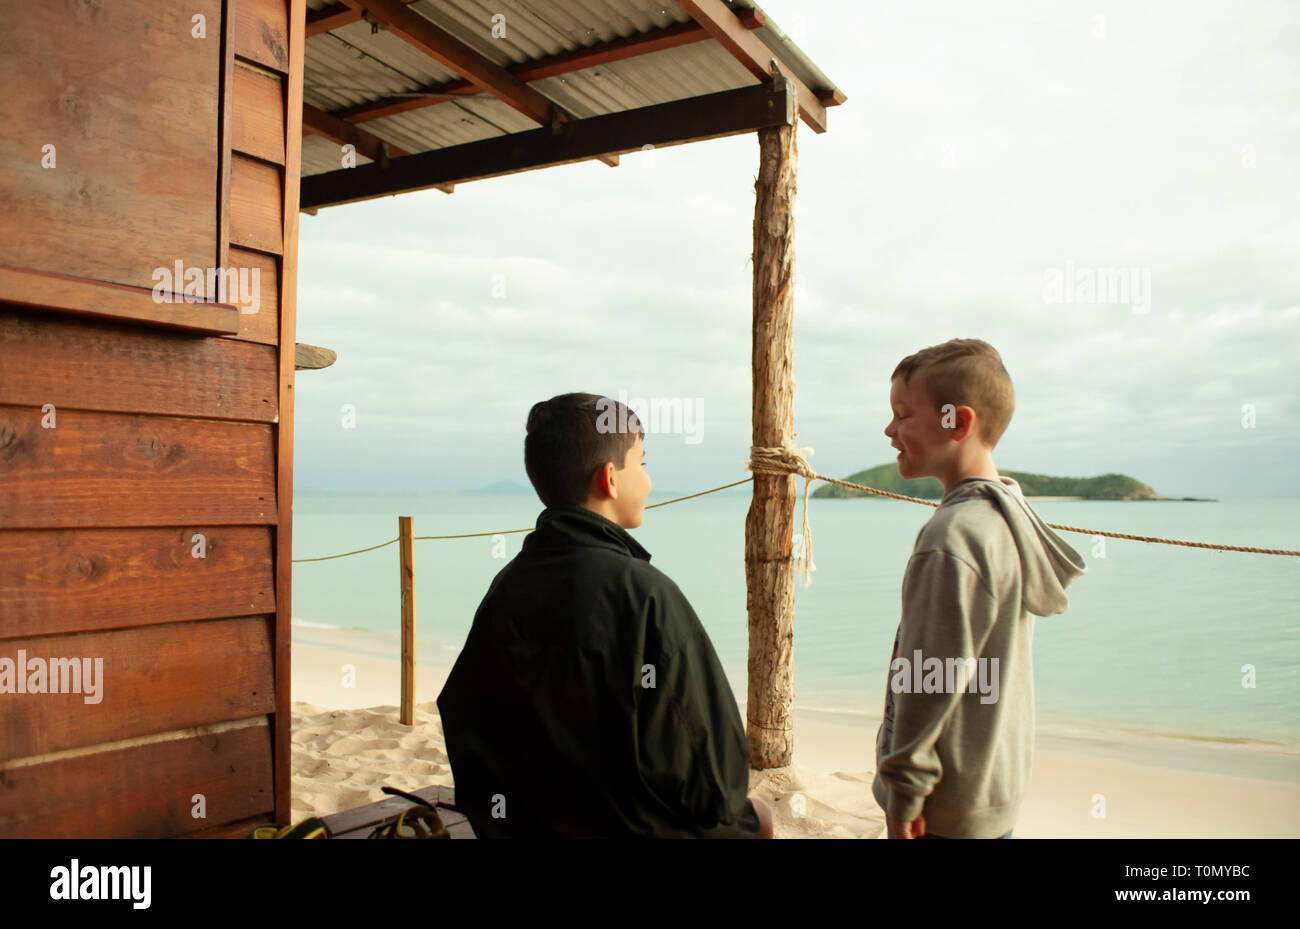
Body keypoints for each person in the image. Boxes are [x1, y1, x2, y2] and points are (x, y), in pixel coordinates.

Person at [437, 392, 772, 838]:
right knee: (759, 816)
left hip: (518, 826)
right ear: (610, 479)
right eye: (643, 463)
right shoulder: (645, 593)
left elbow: (463, 716)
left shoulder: (506, 585)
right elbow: (717, 784)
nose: (649, 481)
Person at [874, 339, 1086, 839]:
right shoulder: (1007, 516)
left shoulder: (952, 538)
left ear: (958, 422)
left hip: (941, 808)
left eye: (903, 415)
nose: (889, 430)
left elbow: (930, 677)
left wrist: (905, 790)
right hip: (991, 791)